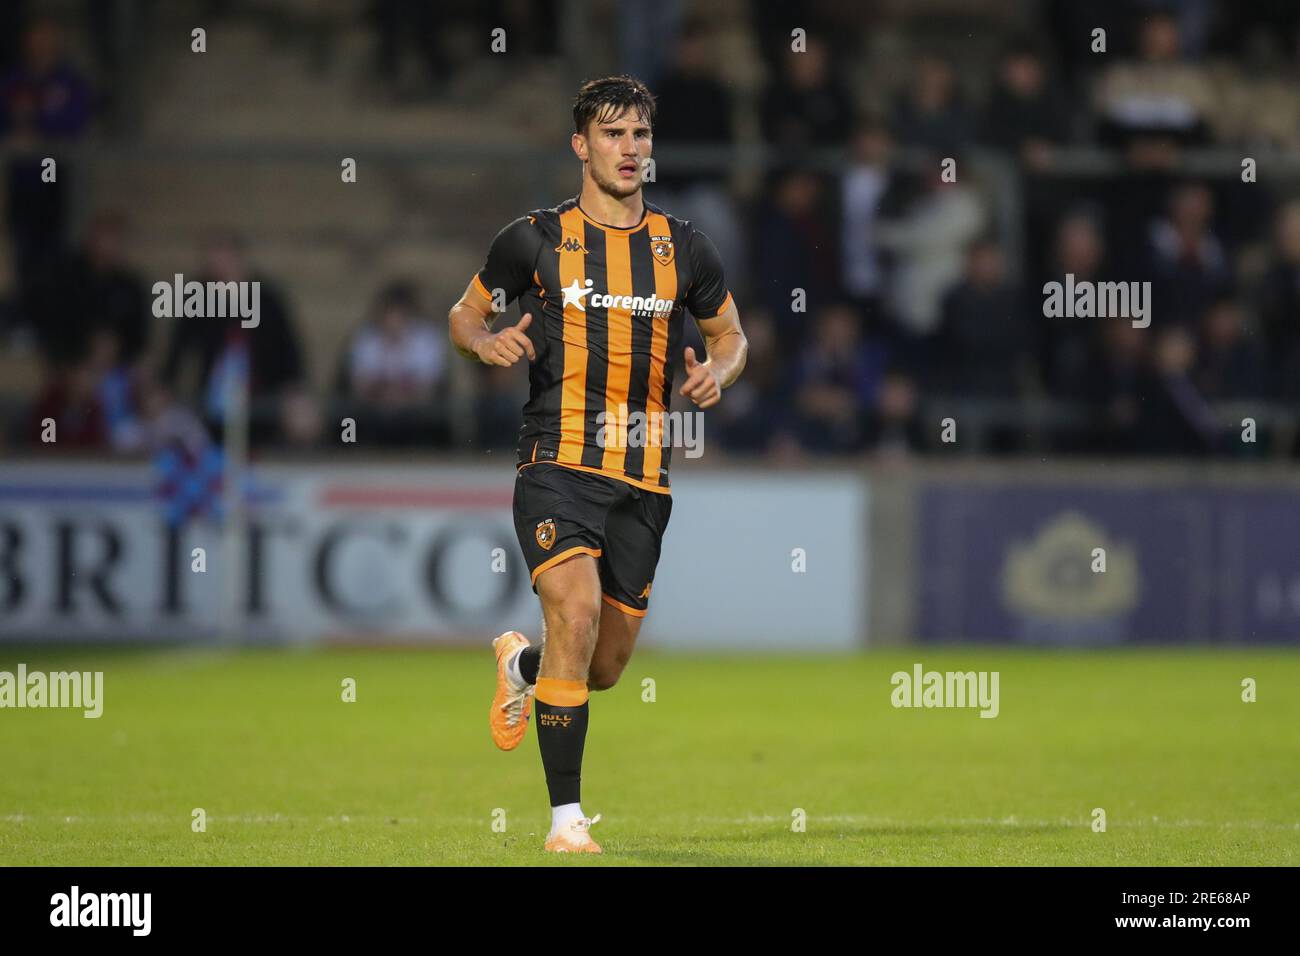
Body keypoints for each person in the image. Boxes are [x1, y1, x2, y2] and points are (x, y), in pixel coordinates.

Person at [446, 75, 747, 854]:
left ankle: (523, 669)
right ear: (581, 145)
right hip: (556, 462)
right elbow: (465, 311)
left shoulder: (686, 246)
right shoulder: (535, 239)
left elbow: (731, 335)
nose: (629, 149)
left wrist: (721, 371)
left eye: (640, 135)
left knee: (600, 666)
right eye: (613, 135)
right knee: (574, 614)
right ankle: (565, 822)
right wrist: (483, 342)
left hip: (644, 478)